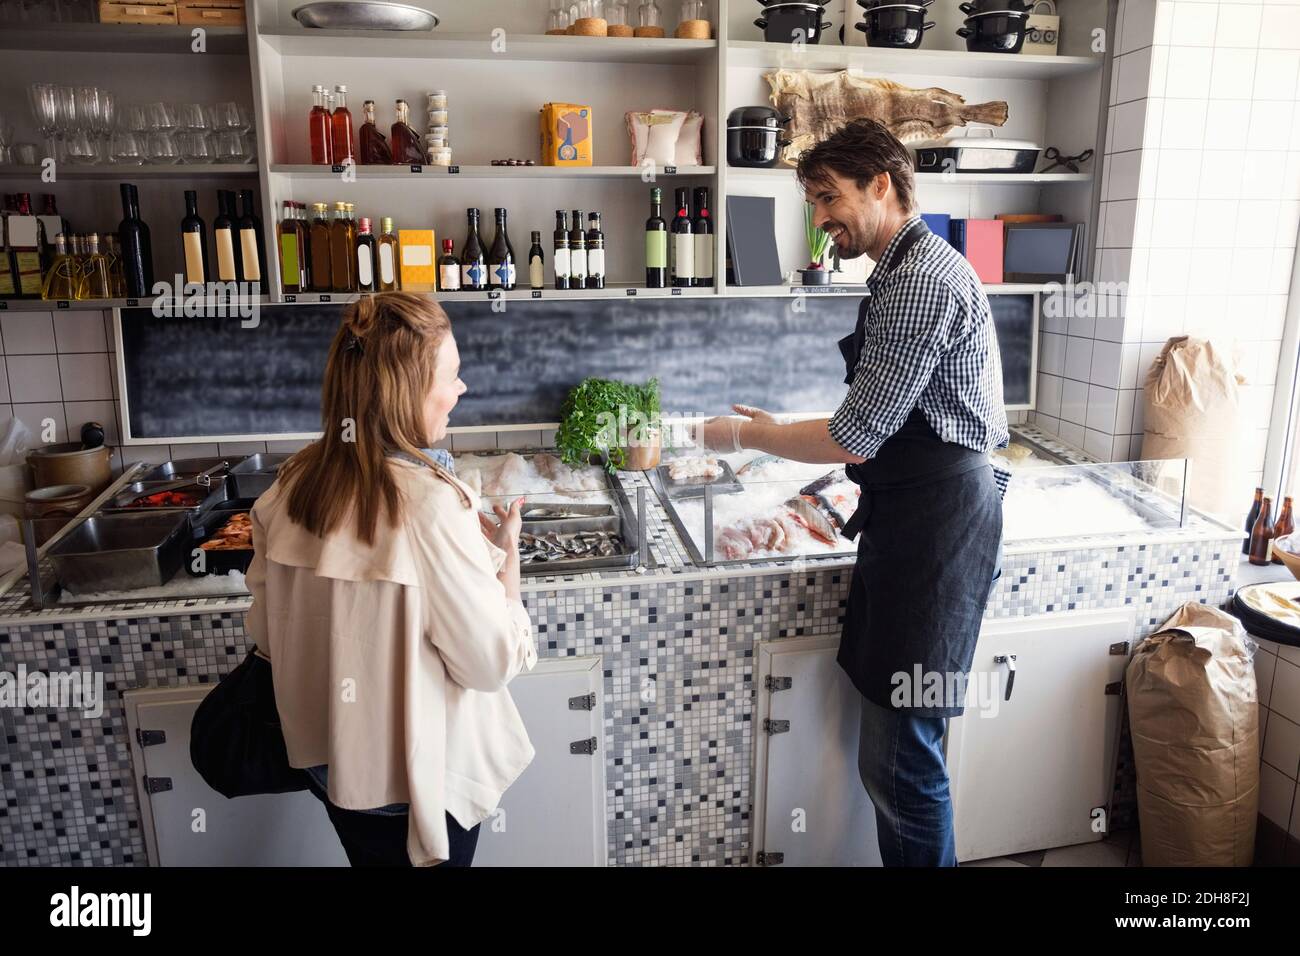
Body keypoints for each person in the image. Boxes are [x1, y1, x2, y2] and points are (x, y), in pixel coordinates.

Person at [702, 118, 1010, 866]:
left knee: (906, 760)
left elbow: (854, 437)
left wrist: (748, 436)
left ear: (883, 185)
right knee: (895, 754)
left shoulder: (920, 282)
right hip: (916, 524)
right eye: (812, 200)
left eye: (827, 197)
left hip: (938, 536)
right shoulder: (907, 271)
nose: (820, 219)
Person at [246, 292, 537, 867]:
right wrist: (507, 565)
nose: (461, 389)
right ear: (406, 391)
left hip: (333, 769)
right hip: (415, 787)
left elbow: (264, 632)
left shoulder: (292, 480)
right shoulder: (430, 506)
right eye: (450, 376)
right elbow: (488, 663)